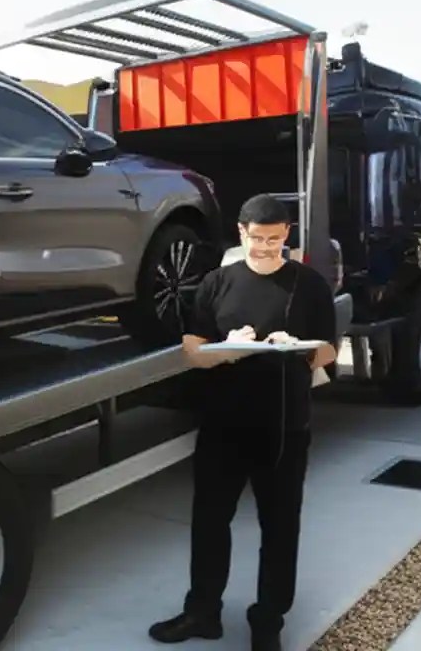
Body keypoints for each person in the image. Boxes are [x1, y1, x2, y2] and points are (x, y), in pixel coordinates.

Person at [148, 194, 339, 651]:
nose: (265, 247)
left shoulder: (309, 285)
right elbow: (193, 351)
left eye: (274, 239)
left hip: (285, 426)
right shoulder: (216, 283)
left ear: (286, 234)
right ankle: (202, 612)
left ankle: (268, 620)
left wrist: (299, 347)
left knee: (280, 528)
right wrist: (228, 349)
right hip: (224, 425)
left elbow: (330, 352)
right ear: (241, 232)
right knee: (209, 522)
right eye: (257, 238)